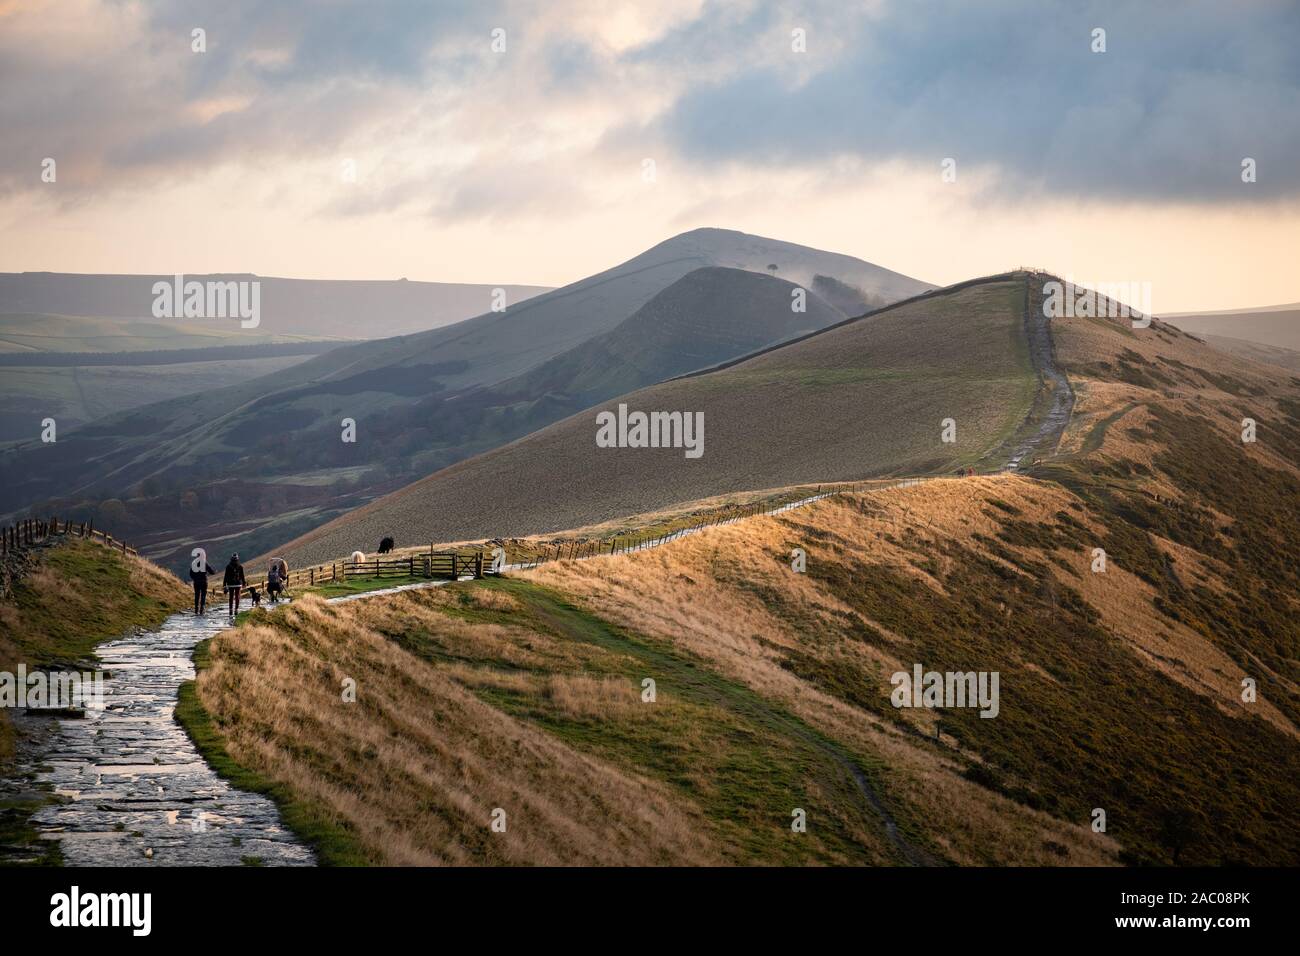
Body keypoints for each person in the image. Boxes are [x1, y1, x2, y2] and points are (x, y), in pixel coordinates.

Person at [223, 553, 246, 619]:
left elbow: (225, 576)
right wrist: (244, 583)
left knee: (231, 597)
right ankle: (236, 609)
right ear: (237, 559)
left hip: (230, 584)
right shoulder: (240, 566)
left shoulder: (228, 566)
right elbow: (242, 576)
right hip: (238, 583)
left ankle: (230, 609)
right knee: (237, 597)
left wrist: (224, 585)